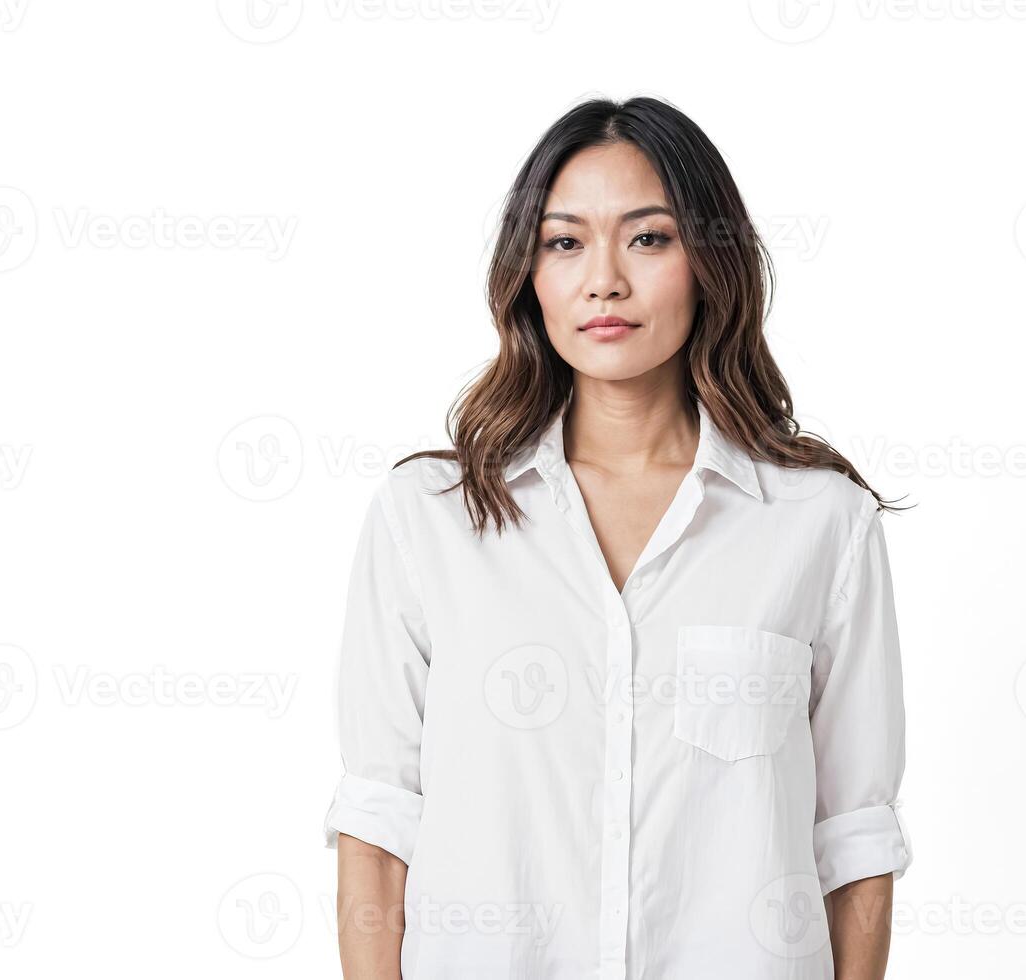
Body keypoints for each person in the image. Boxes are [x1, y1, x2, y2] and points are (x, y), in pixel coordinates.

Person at [324, 95, 913, 980]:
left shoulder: (820, 525)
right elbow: (378, 824)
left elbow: (855, 840)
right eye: (565, 242)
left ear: (709, 262)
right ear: (529, 272)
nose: (604, 279)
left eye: (648, 238)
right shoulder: (430, 518)